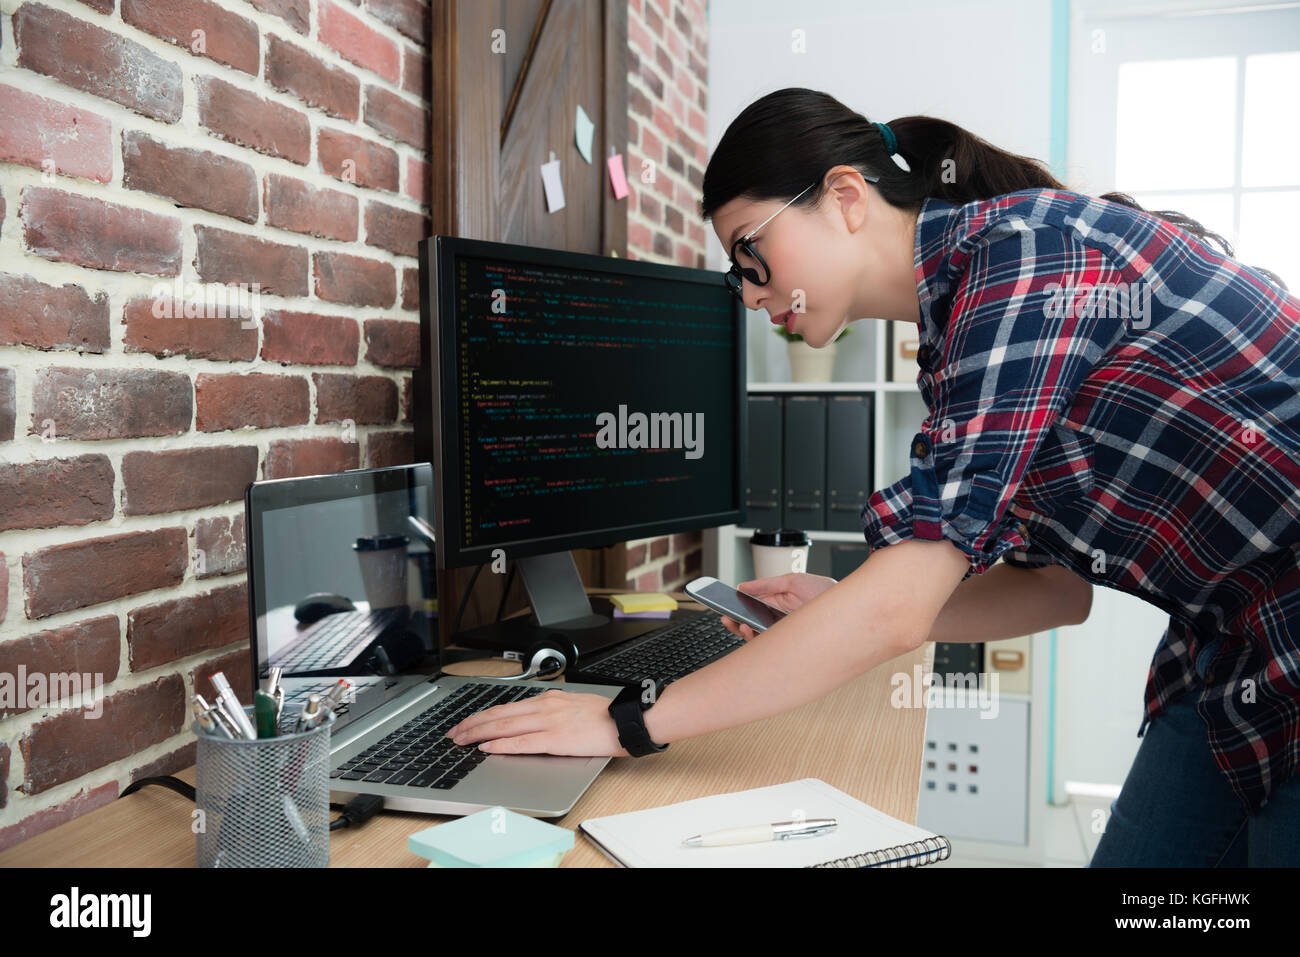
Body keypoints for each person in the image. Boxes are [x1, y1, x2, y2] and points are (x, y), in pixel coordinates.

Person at [445, 88, 1300, 866]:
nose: (748, 294)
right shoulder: (959, 331)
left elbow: (899, 608)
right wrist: (842, 608)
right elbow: (1053, 591)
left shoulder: (1022, 265)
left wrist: (623, 720)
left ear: (846, 197)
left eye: (751, 253)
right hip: (1230, 649)